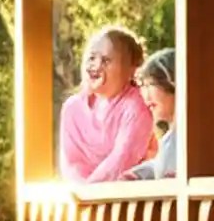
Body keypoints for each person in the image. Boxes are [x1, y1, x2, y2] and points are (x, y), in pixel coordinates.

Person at [60, 26, 155, 184]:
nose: (96, 66)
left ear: (131, 70)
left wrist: (91, 191)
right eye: (91, 58)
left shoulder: (137, 106)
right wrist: (82, 194)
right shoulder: (73, 108)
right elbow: (71, 164)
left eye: (106, 61)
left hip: (129, 199)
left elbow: (122, 161)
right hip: (84, 200)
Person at [124, 49, 177, 180]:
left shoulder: (192, 138)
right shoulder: (171, 136)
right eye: (142, 86)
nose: (145, 95)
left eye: (150, 84)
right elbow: (161, 164)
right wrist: (138, 173)